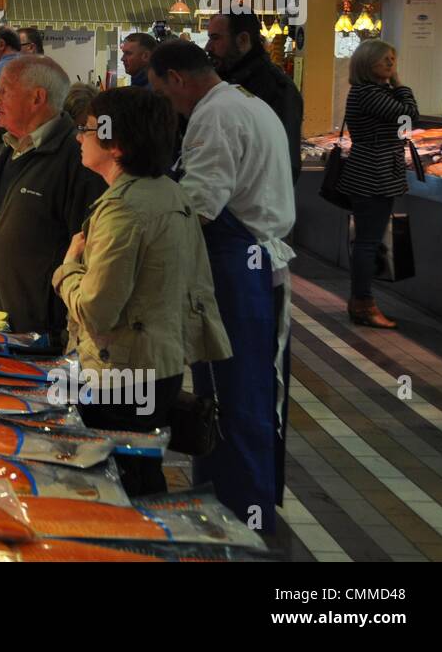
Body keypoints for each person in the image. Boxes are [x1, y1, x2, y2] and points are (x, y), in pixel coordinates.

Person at [54, 86, 230, 495]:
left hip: (120, 373)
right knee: (141, 471)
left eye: (88, 129)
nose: (79, 135)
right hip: (159, 366)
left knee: (115, 480)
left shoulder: (124, 209)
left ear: (117, 145)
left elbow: (97, 310)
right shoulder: (170, 192)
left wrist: (67, 268)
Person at [149, 40, 295, 531]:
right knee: (239, 392)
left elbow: (203, 203)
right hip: (246, 261)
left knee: (235, 396)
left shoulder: (215, 116)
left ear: (176, 78)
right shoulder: (239, 101)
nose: (165, 104)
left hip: (239, 268)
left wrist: (146, 227)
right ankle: (233, 499)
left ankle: (239, 515)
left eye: (160, 90)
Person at [0, 56, 105, 336]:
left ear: (37, 98)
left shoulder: (77, 161)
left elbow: (86, 254)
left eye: (4, 91)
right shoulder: (7, 149)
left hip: (39, 335)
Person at [338, 39, 418, 329]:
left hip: (375, 171)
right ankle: (363, 303)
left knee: (367, 240)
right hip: (374, 174)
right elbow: (410, 118)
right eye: (384, 59)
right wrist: (401, 85)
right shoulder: (369, 92)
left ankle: (361, 301)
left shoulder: (370, 92)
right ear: (366, 63)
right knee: (368, 241)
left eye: (393, 59)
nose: (390, 64)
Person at [205, 12, 304, 181]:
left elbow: (285, 164)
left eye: (215, 38)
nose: (208, 47)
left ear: (243, 40)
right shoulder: (224, 82)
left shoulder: (277, 88)